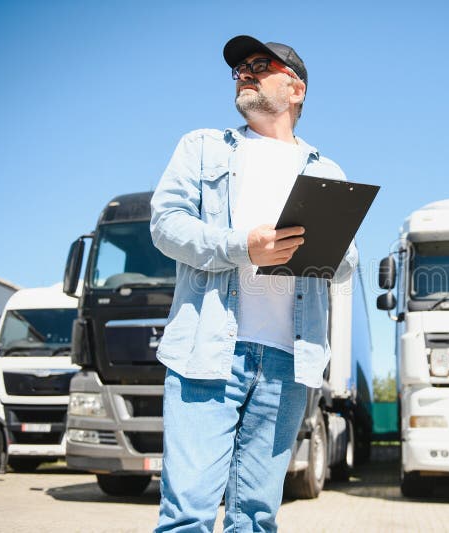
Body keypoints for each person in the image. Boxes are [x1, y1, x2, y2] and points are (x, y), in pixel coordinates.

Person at [149, 35, 358, 532]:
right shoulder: (202, 147)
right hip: (206, 354)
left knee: (257, 518)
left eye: (259, 65)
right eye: (239, 68)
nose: (244, 72)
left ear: (295, 88)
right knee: (188, 515)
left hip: (288, 362)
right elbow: (166, 225)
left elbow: (346, 264)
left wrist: (334, 249)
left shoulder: (326, 171)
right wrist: (243, 247)